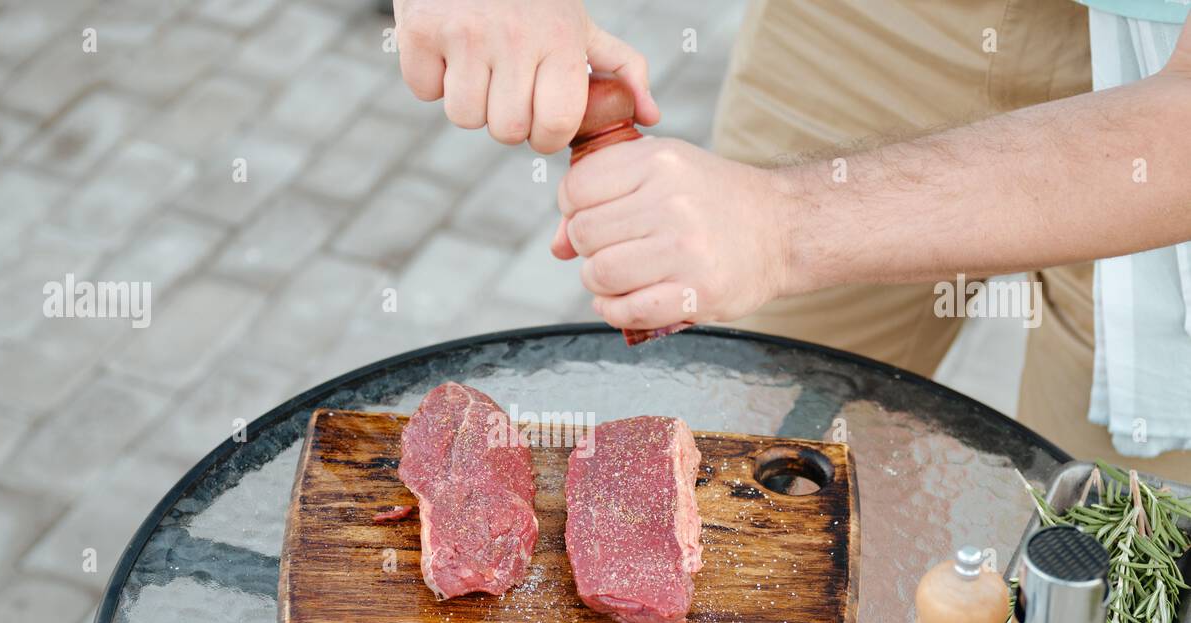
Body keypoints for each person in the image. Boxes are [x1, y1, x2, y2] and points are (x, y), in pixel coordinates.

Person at [392, 0, 1191, 480]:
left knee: (1108, 580)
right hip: (864, 21)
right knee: (761, 465)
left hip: (1158, 70)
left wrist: (779, 225)